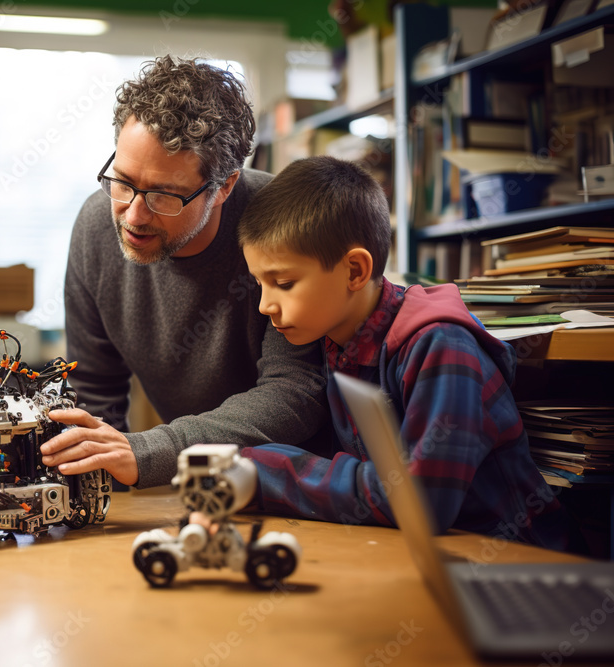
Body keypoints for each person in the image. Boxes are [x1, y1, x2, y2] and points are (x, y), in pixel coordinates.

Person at [236, 155, 568, 550]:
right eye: (260, 284)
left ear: (355, 271)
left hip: (518, 561)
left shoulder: (441, 346)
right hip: (428, 551)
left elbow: (419, 502)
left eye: (284, 283)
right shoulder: (336, 338)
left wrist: (265, 470)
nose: (265, 306)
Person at [40, 55, 327, 489]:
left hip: (299, 486)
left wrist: (151, 451)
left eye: (164, 195)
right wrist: (94, 489)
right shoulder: (96, 226)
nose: (132, 215)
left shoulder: (285, 224)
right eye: (123, 181)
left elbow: (294, 393)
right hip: (191, 483)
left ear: (224, 186)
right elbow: (95, 390)